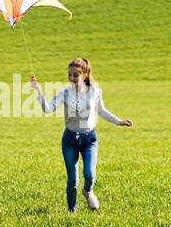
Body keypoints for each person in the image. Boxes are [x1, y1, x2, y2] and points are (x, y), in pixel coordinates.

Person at [30, 58, 132, 212]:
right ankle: (72, 211)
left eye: (75, 75)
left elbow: (102, 111)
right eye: (69, 75)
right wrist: (38, 90)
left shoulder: (95, 91)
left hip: (89, 139)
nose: (71, 78)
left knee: (89, 174)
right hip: (70, 139)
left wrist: (119, 121)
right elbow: (48, 109)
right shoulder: (64, 93)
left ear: (84, 75)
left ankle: (88, 191)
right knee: (73, 179)